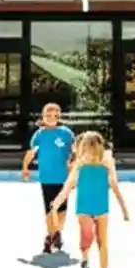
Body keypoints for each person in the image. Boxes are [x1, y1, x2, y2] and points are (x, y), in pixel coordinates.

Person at [50, 131, 130, 268]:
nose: (90, 154)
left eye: (92, 149)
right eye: (86, 149)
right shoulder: (79, 165)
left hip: (102, 208)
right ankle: (85, 261)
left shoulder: (106, 163)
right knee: (87, 237)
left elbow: (114, 186)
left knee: (102, 241)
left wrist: (124, 209)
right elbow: (68, 187)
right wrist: (56, 204)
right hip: (84, 208)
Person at [21, 102, 76, 253]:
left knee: (62, 209)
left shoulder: (66, 134)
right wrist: (25, 167)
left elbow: (74, 153)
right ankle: (51, 234)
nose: (51, 118)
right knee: (49, 208)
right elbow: (31, 152)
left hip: (63, 177)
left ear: (59, 117)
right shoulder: (39, 135)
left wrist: (74, 170)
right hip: (46, 177)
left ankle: (57, 231)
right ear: (43, 117)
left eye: (55, 115)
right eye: (48, 115)